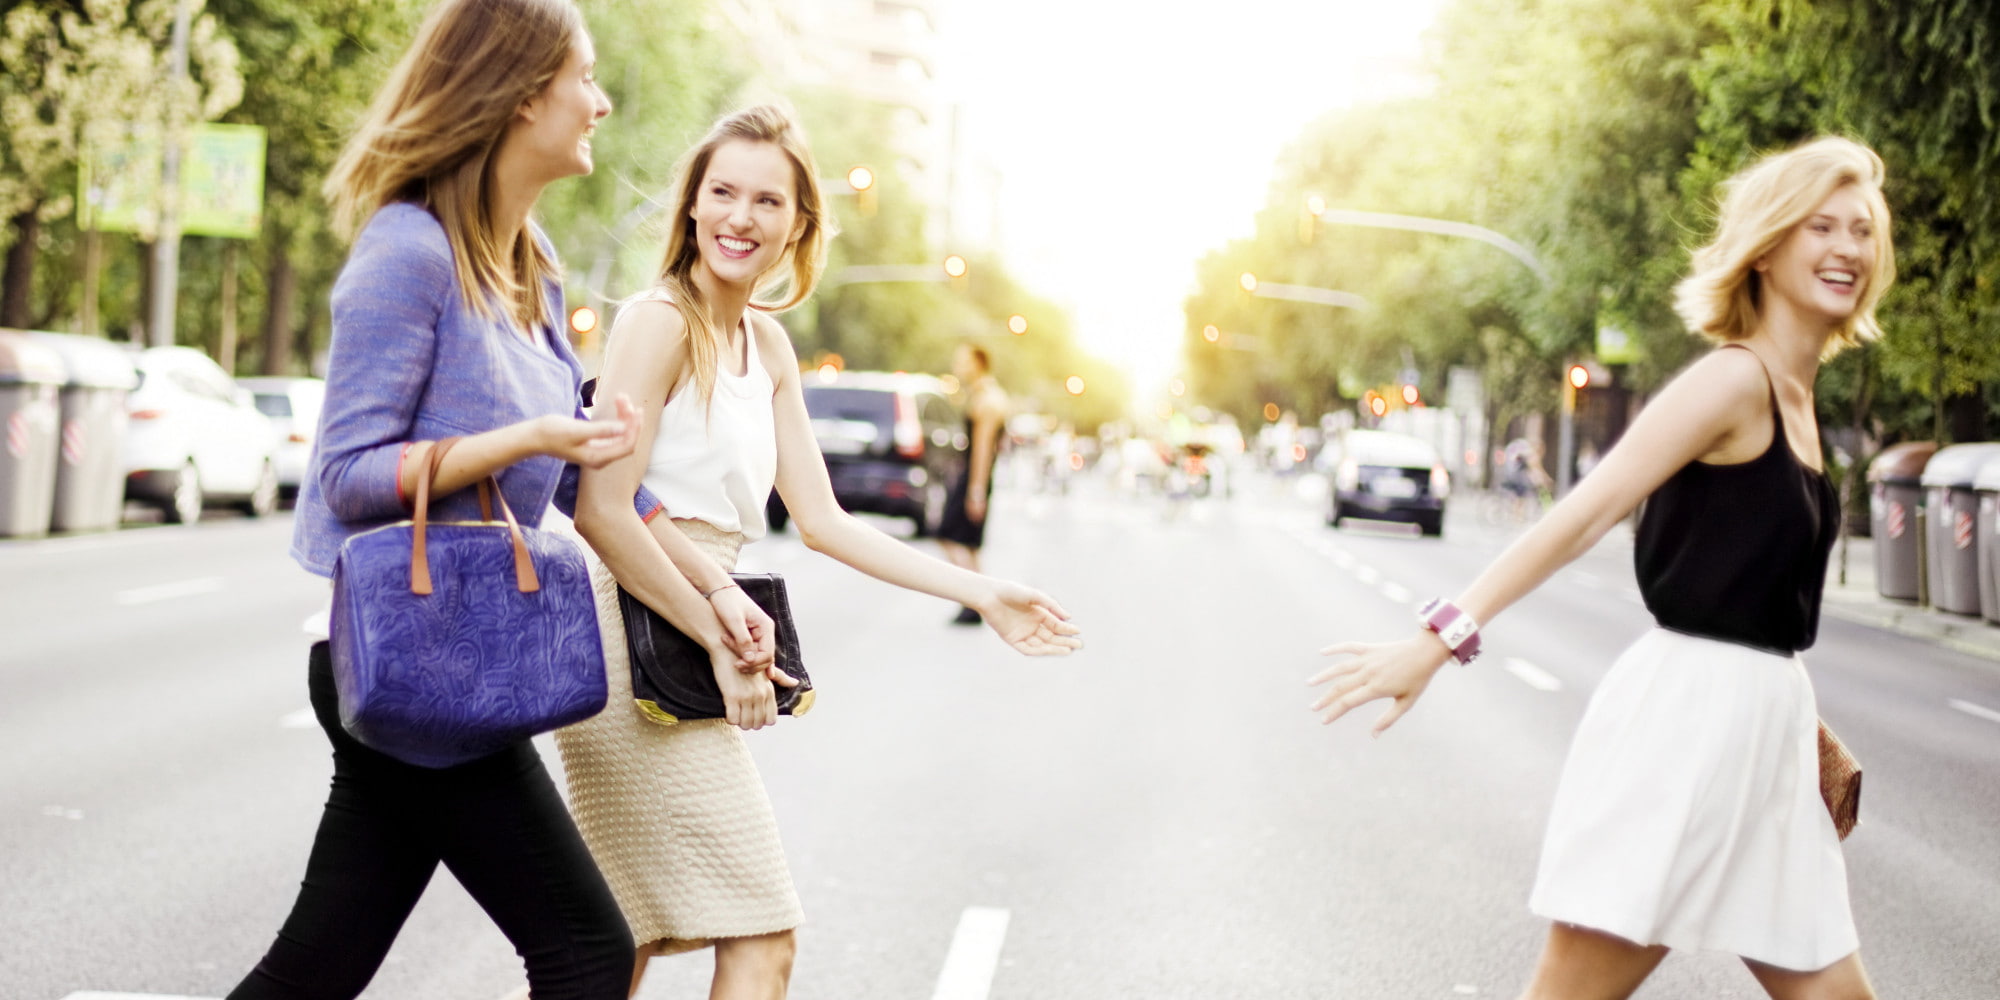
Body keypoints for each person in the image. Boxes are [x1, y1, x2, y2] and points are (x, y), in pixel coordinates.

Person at [1309, 135, 1891, 1000]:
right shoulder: (1731, 382)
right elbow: (1581, 516)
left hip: (1764, 739)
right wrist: (1439, 640)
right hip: (1682, 730)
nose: (1848, 248)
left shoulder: (1802, 399)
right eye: (1822, 227)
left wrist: (1789, 713)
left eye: (1864, 230)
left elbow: (1758, 596)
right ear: (1767, 247)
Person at [561, 104, 1083, 999]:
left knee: (615, 950)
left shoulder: (764, 344)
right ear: (690, 206)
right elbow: (604, 509)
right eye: (721, 192)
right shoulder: (657, 322)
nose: (740, 217)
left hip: (691, 617)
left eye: (767, 201)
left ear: (798, 226)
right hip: (627, 635)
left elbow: (824, 520)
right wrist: (723, 634)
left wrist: (983, 589)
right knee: (758, 934)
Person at [230, 1, 659, 997]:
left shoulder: (532, 272)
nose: (598, 104)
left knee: (315, 968)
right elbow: (345, 475)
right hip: (407, 655)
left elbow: (556, 481)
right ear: (519, 97)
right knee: (588, 952)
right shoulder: (407, 252)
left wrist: (696, 573)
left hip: (462, 656)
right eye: (581, 80)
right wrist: (528, 437)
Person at [937, 343, 1010, 623]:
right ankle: (981, 601)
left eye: (962, 361)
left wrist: (976, 491)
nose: (957, 366)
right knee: (965, 542)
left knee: (949, 535)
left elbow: (983, 449)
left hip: (974, 477)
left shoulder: (988, 400)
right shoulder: (985, 395)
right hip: (974, 476)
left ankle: (978, 600)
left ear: (978, 363)